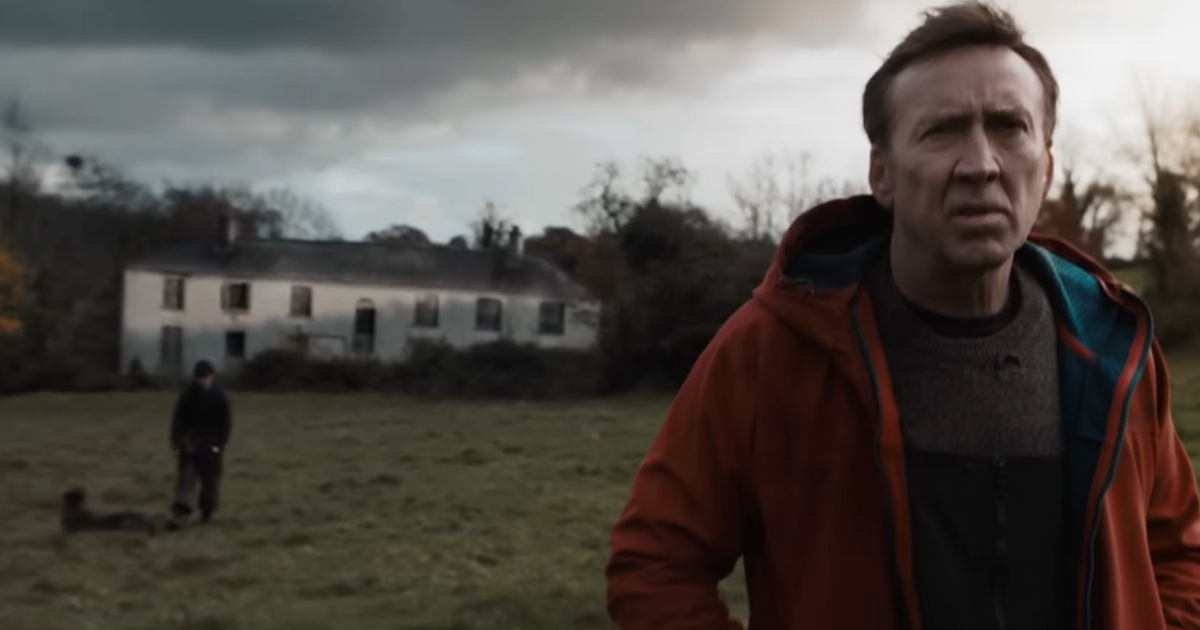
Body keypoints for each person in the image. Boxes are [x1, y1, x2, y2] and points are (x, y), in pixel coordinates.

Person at [605, 3, 1200, 629]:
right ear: (882, 174)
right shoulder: (776, 347)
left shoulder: (1110, 350)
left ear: (1046, 167)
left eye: (1008, 127)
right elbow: (656, 563)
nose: (981, 164)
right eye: (943, 130)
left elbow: (1179, 554)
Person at [169, 359, 232, 525]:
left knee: (210, 481)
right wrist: (177, 440)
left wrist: (220, 444)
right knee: (185, 480)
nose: (203, 382)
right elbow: (179, 419)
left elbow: (225, 423)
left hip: (211, 445)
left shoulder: (220, 396)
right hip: (190, 443)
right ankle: (181, 514)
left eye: (205, 378)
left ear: (212, 376)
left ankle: (207, 511)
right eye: (200, 378)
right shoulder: (187, 395)